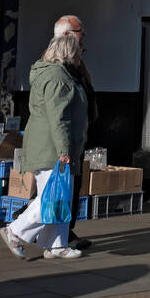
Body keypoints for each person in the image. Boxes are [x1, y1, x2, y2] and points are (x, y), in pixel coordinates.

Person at [0, 33, 88, 260]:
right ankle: (15, 231)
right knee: (51, 197)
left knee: (60, 196)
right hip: (51, 147)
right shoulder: (58, 77)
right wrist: (63, 151)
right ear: (70, 53)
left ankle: (56, 245)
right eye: (79, 51)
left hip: (48, 144)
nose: (81, 56)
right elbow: (58, 118)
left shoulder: (55, 73)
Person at [53, 14, 98, 251]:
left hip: (78, 134)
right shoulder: (58, 64)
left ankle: (65, 232)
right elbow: (58, 108)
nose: (84, 35)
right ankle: (20, 226)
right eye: (81, 31)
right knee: (58, 188)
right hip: (65, 138)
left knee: (74, 185)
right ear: (68, 34)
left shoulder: (77, 61)